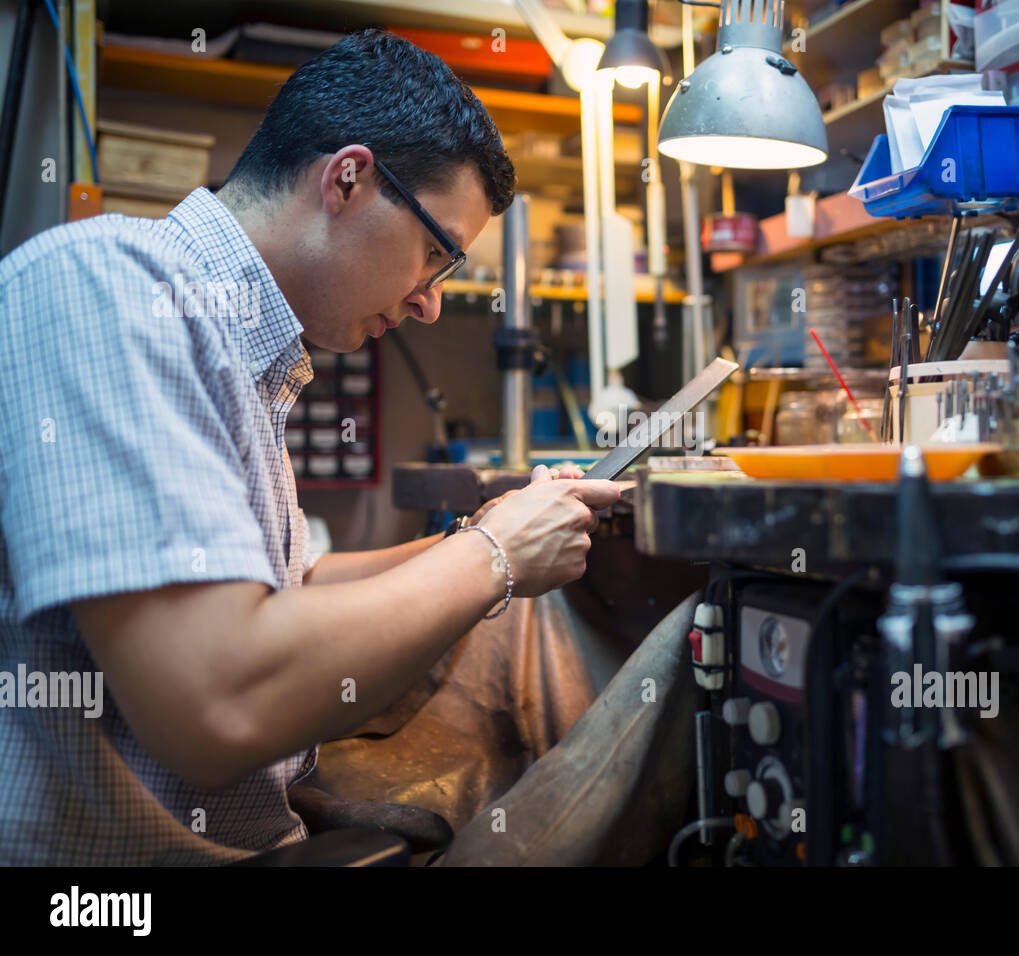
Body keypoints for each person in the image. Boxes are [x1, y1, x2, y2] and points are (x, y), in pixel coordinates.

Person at [0, 28, 620, 865]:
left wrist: (489, 533)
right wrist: (493, 558)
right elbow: (220, 704)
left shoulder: (238, 342)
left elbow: (289, 583)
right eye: (436, 255)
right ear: (349, 179)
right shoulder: (113, 290)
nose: (431, 303)